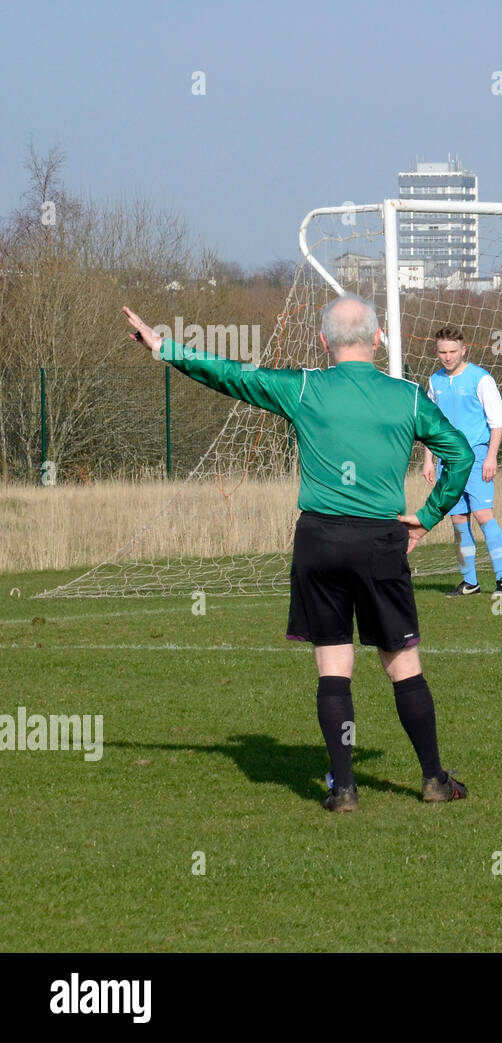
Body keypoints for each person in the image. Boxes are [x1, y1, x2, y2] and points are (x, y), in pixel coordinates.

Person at [122, 295, 475, 812]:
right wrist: (426, 516)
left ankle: (345, 788)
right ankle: (434, 780)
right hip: (380, 541)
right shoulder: (408, 396)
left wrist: (164, 347)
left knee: (334, 665)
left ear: (323, 341)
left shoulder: (304, 387)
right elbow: (461, 454)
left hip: (319, 541)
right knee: (402, 663)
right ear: (378, 339)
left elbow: (230, 375)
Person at [420, 327, 502, 596]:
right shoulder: (434, 381)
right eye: (442, 352)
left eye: (452, 352)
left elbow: (498, 422)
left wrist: (491, 456)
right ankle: (470, 581)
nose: (447, 357)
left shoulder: (480, 379)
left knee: (484, 516)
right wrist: (428, 460)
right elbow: (430, 425)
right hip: (447, 462)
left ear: (463, 350)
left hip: (476, 457)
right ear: (437, 352)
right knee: (458, 520)